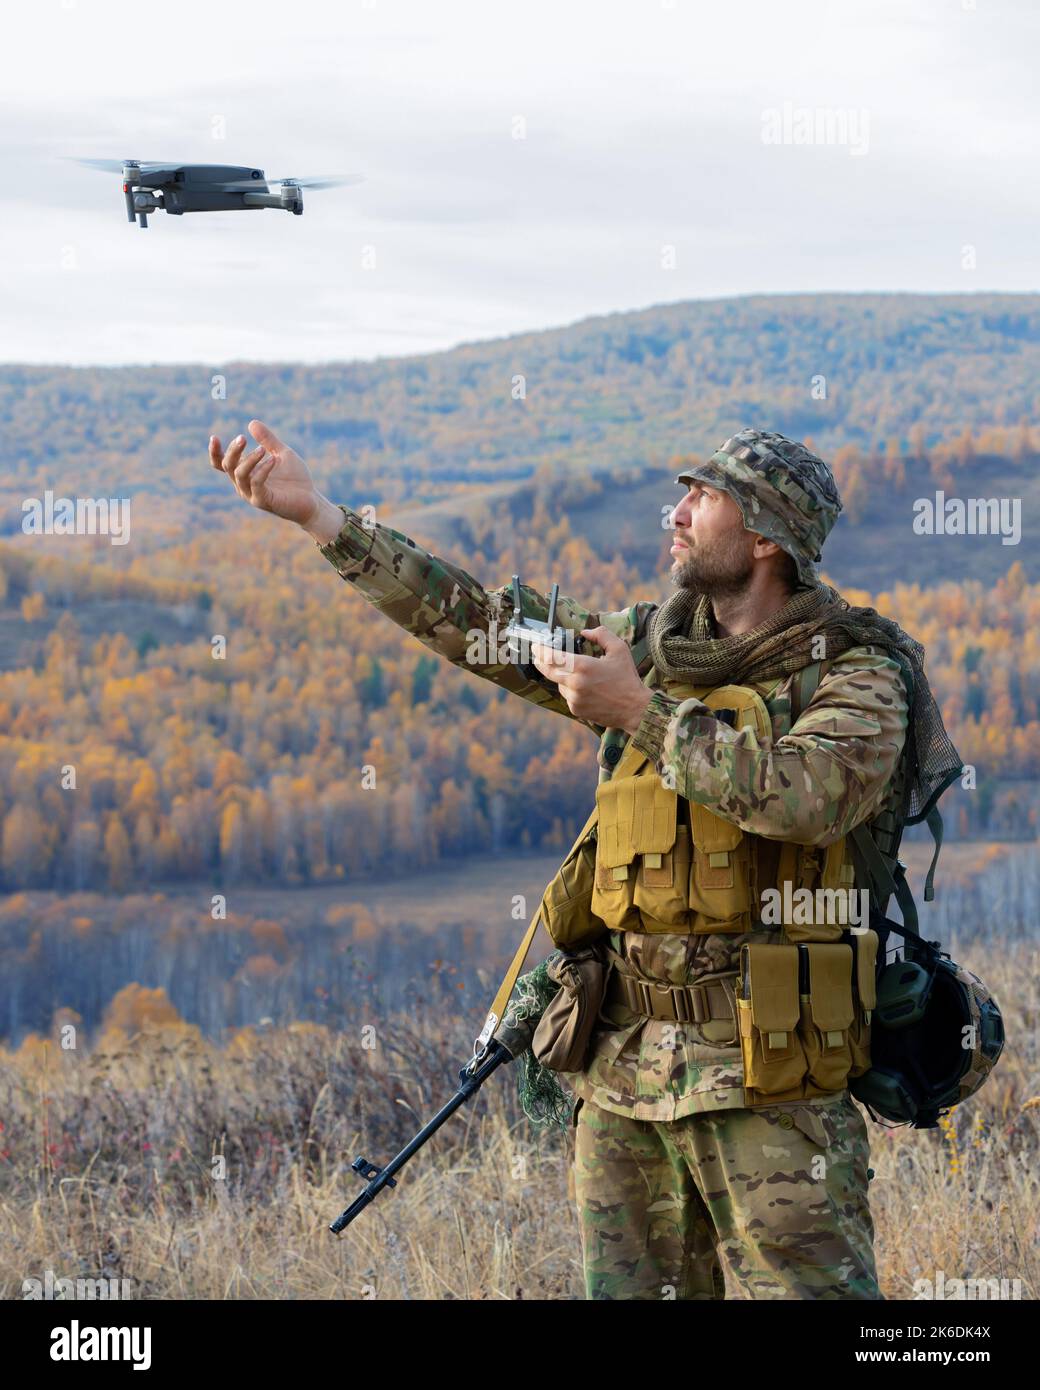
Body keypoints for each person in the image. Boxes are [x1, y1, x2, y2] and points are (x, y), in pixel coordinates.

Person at [209, 422, 960, 1301]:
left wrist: (639, 713)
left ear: (766, 539)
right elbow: (482, 625)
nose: (674, 513)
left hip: (772, 1081)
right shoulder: (652, 644)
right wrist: (323, 520)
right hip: (625, 1074)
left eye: (702, 499)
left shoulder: (856, 674)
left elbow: (808, 795)